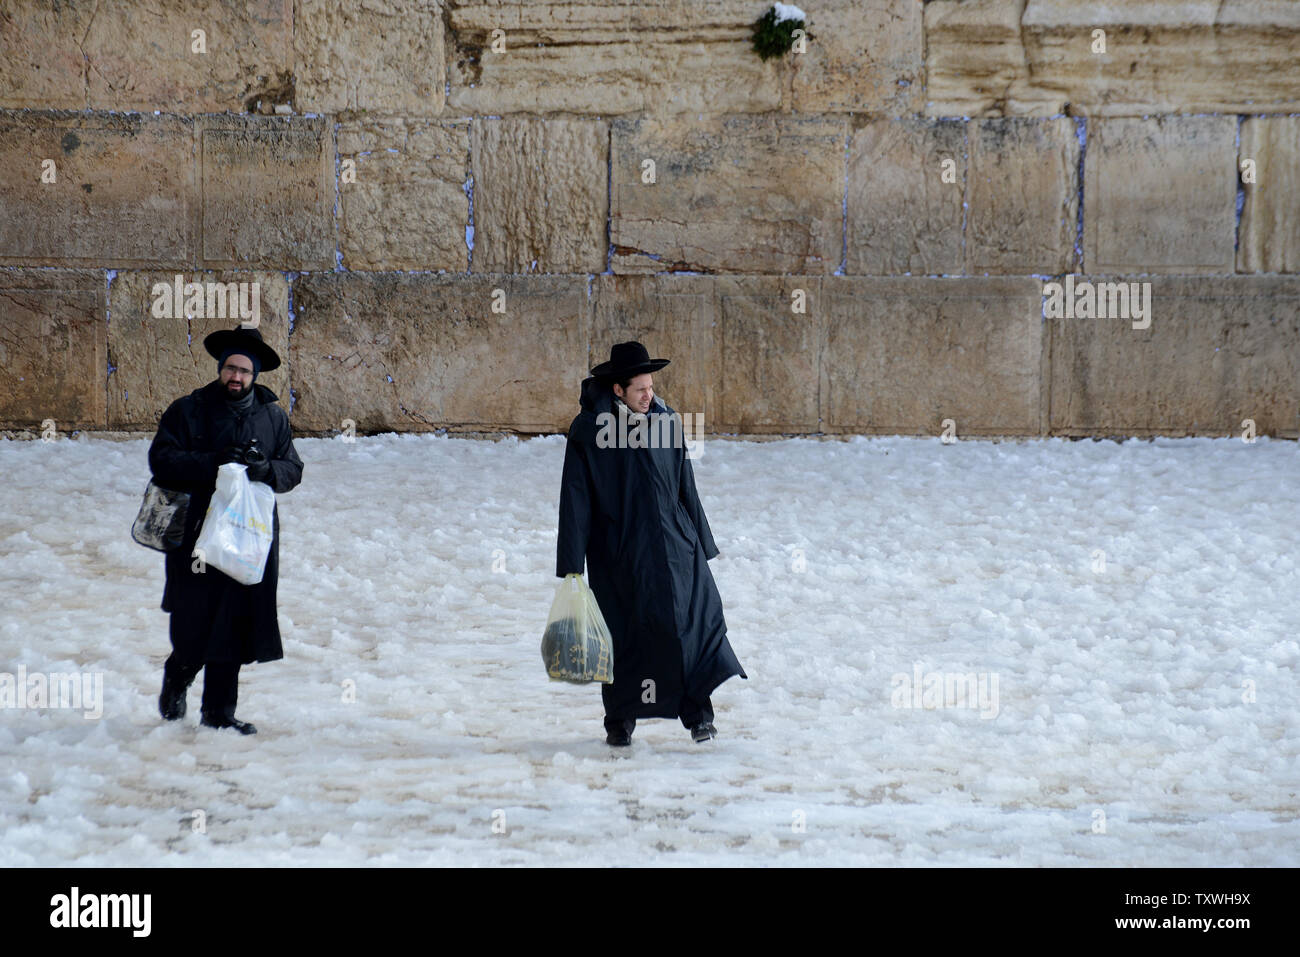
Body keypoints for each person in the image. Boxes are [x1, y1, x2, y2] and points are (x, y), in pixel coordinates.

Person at [556, 341, 746, 746]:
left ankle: (698, 716)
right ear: (617, 390)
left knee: (691, 629)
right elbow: (575, 499)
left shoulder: (667, 422)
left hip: (677, 550)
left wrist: (701, 542)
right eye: (640, 388)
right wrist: (572, 563)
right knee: (626, 639)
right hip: (620, 556)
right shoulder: (589, 433)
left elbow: (685, 487)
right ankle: (620, 723)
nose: (649, 395)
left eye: (651, 386)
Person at [148, 325, 303, 735]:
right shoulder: (188, 410)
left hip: (248, 538)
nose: (236, 377)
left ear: (256, 376)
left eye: (245, 372)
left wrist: (264, 469)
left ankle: (218, 714)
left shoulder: (272, 417)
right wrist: (212, 463)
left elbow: (293, 469)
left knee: (234, 624)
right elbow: (162, 461)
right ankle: (178, 676)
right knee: (194, 621)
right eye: (230, 368)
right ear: (220, 369)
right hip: (196, 537)